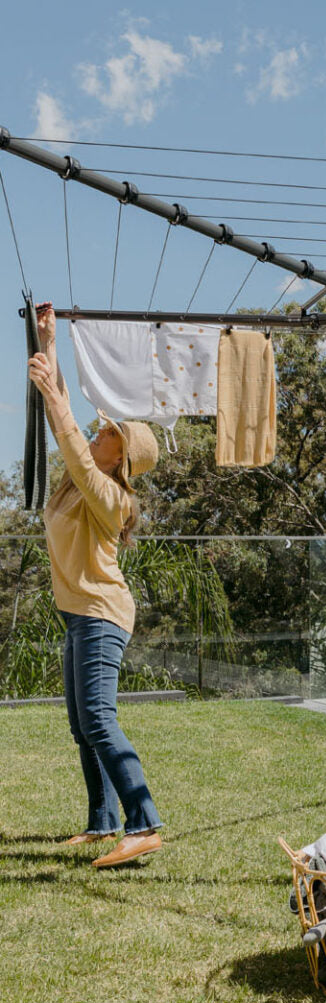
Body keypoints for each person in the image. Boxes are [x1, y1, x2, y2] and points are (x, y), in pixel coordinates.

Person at [27, 302, 165, 869]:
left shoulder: (110, 496)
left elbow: (67, 435)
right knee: (82, 728)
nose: (99, 430)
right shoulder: (81, 476)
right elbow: (69, 437)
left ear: (121, 459)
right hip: (79, 614)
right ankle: (102, 822)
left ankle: (145, 822)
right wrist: (48, 342)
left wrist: (55, 396)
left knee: (100, 721)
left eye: (110, 432)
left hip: (102, 615)